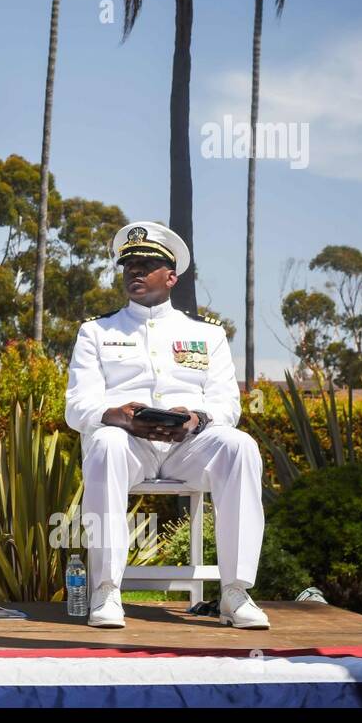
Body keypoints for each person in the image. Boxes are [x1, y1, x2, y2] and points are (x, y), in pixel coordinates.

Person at [65, 221, 269, 630]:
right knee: (103, 442)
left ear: (171, 276)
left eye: (146, 265)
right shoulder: (96, 331)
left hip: (187, 446)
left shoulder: (206, 334)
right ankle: (107, 589)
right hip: (129, 444)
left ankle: (235, 591)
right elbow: (77, 406)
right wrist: (119, 416)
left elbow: (227, 403)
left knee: (240, 445)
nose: (134, 272)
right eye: (129, 265)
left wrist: (197, 419)